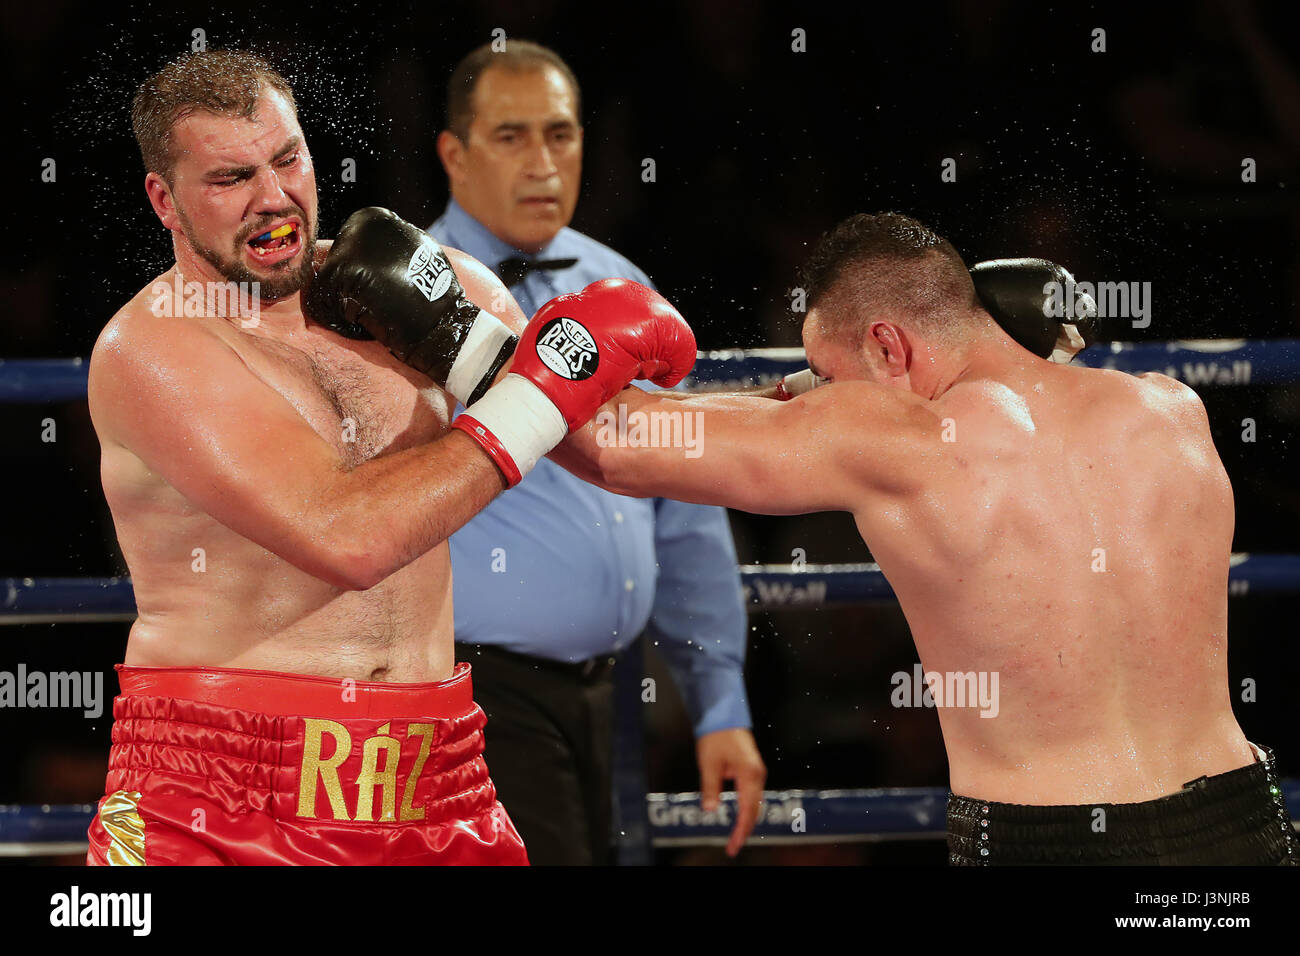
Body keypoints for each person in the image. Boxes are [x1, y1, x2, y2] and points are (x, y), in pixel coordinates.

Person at [84, 49, 693, 865]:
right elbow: (348, 538)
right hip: (222, 789)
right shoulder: (152, 349)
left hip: (436, 777)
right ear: (164, 198)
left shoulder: (417, 289)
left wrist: (813, 404)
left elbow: (607, 441)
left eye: (287, 159)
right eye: (230, 178)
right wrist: (542, 391)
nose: (274, 198)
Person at [553, 211, 1297, 865]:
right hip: (1238, 821)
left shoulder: (897, 440)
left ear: (887, 345)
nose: (824, 397)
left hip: (1046, 839)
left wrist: (470, 339)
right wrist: (812, 394)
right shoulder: (1172, 410)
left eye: (827, 374)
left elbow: (612, 441)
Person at [428, 39, 765, 864]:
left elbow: (684, 498)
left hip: (610, 696)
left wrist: (719, 702)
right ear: (455, 154)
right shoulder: (416, 294)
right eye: (511, 137)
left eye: (561, 134)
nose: (543, 162)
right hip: (476, 696)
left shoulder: (623, 286)